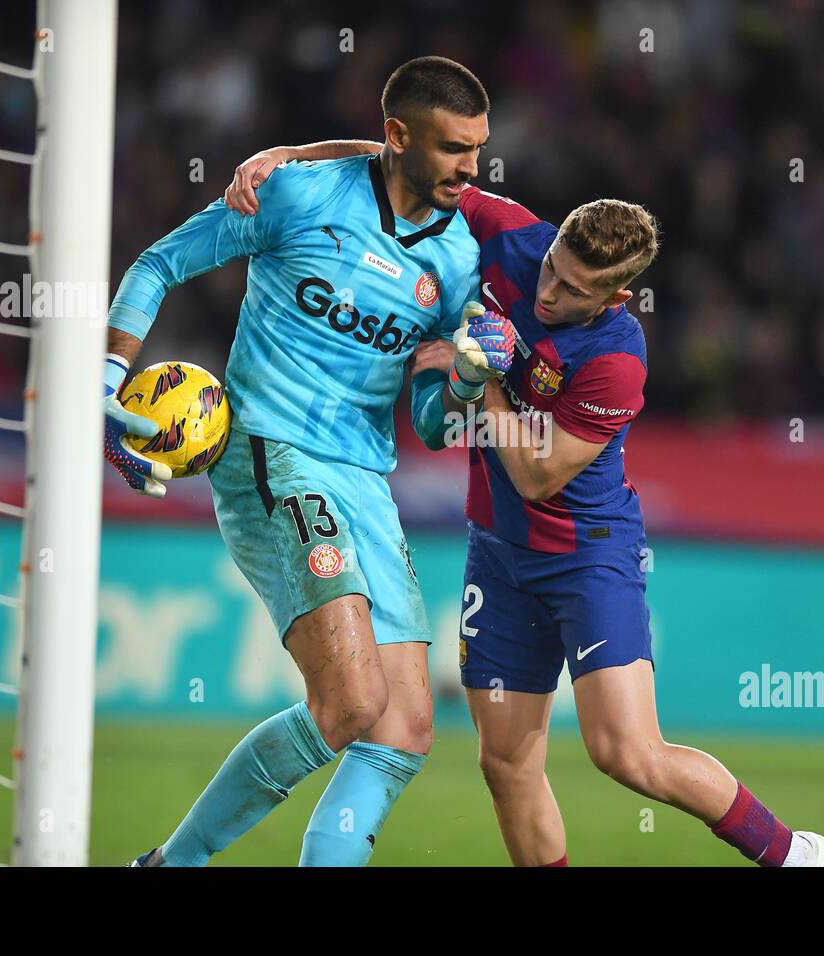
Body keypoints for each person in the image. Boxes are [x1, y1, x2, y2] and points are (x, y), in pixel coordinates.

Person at [226, 142, 824, 867]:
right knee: (506, 765)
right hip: (499, 552)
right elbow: (405, 158)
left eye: (574, 289)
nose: (549, 292)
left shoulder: (616, 358)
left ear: (614, 297)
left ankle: (792, 854)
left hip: (586, 555)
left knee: (628, 754)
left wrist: (479, 375)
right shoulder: (516, 234)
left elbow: (539, 474)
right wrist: (291, 154)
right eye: (552, 269)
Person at [105, 56, 511, 867]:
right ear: (397, 137)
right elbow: (160, 263)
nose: (474, 168)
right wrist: (108, 377)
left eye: (479, 148)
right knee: (352, 701)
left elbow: (431, 422)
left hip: (364, 476)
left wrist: (466, 376)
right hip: (269, 450)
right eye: (454, 149)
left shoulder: (462, 260)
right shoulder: (296, 194)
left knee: (403, 727)